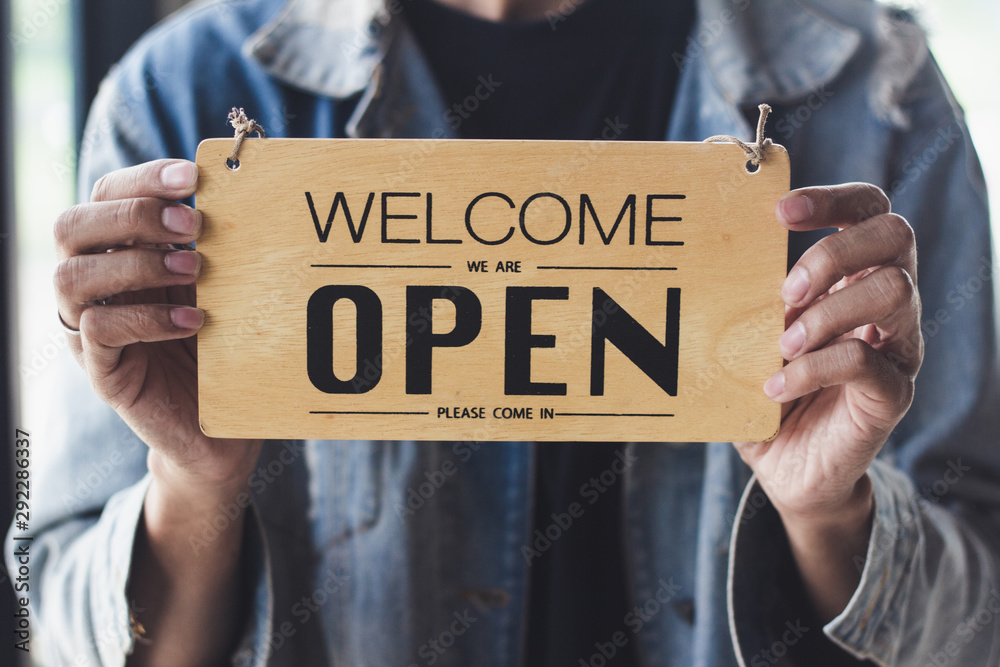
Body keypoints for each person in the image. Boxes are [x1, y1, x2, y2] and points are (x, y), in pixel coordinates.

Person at [8, 0, 1000, 665]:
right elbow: (73, 627)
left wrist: (830, 510)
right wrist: (193, 485)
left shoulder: (879, 89)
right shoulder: (180, 93)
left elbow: (977, 615)